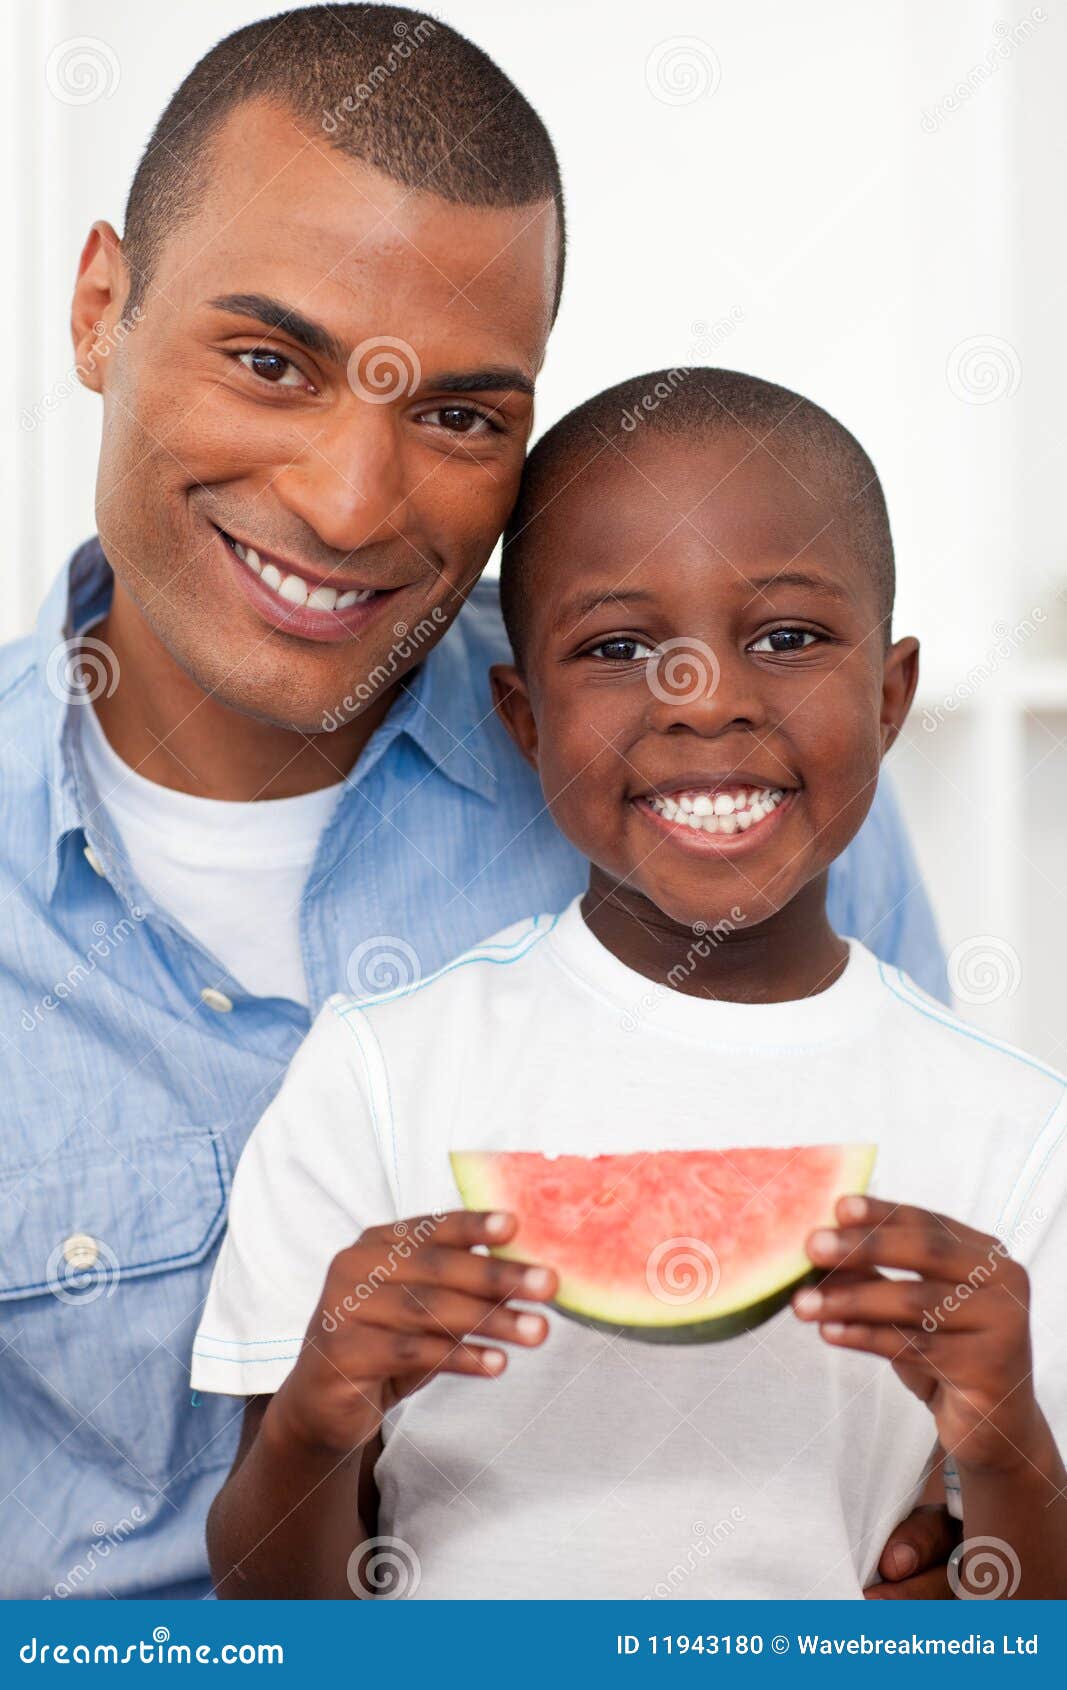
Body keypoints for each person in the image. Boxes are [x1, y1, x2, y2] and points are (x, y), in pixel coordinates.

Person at [0, 7, 946, 1600]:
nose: (349, 503)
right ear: (102, 307)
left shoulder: (720, 772)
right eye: (267, 362)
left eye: (457, 415)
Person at [195, 369, 1067, 1601]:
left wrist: (1004, 1440)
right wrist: (314, 1422)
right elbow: (271, 1616)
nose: (703, 702)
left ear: (888, 698)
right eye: (616, 648)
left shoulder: (1015, 1137)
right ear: (524, 720)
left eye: (784, 637)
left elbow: (1023, 1627)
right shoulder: (382, 1073)